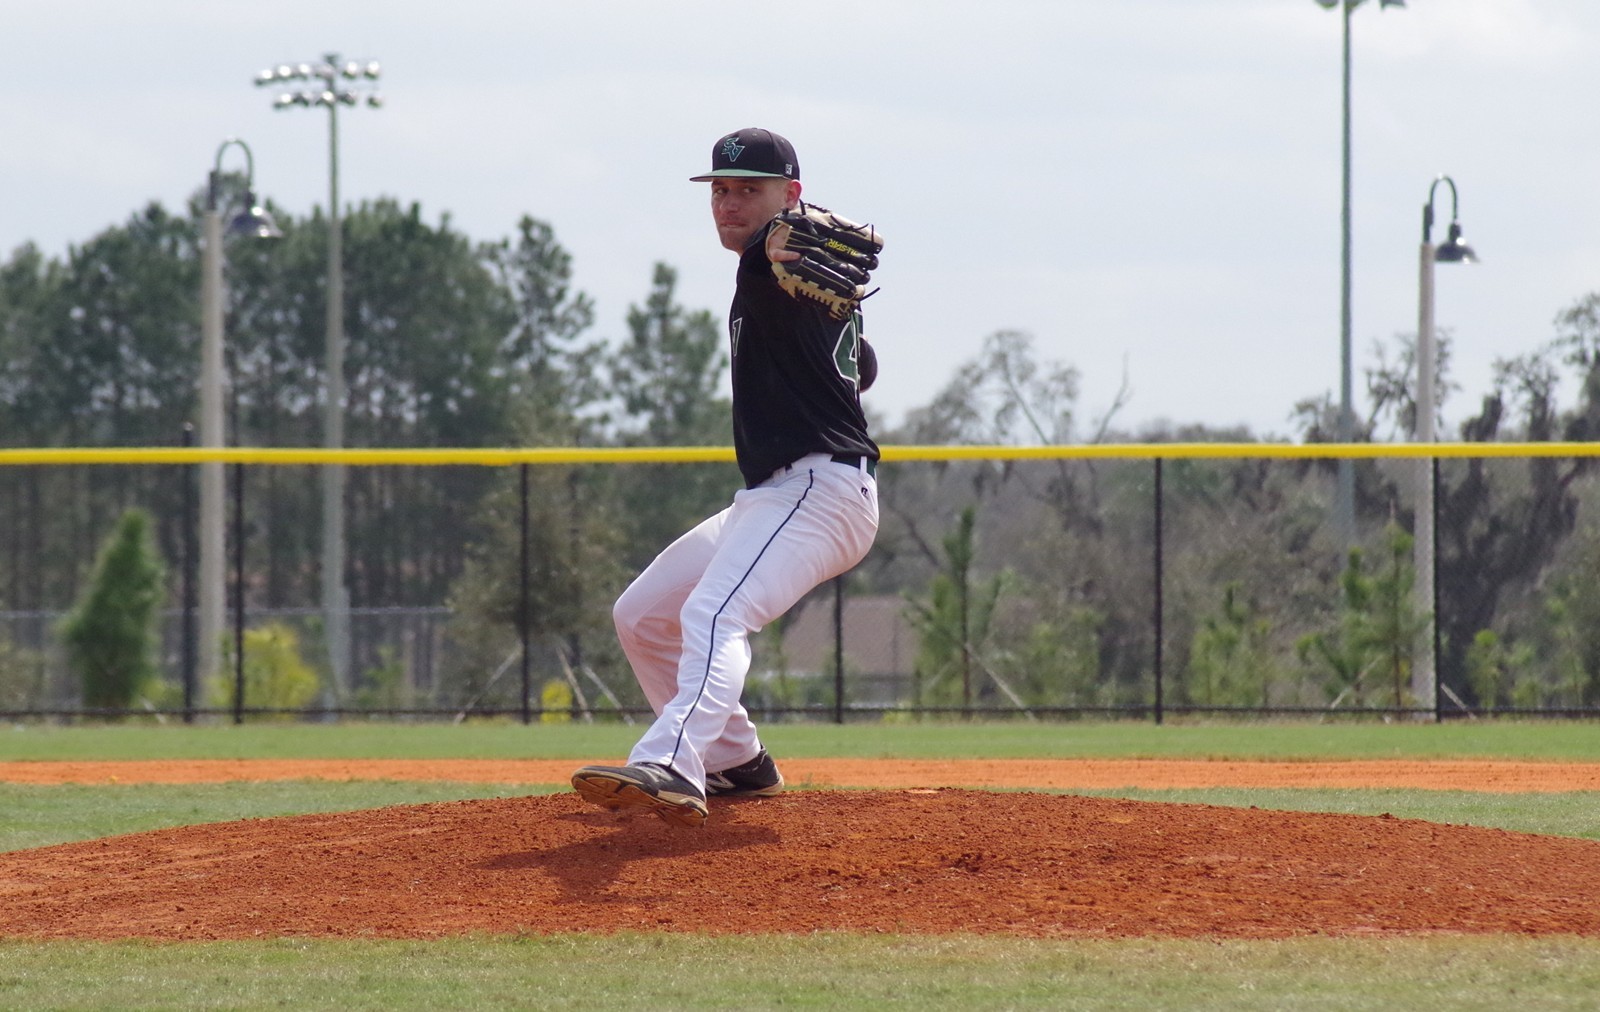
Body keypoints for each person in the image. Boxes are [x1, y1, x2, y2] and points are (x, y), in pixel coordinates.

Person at [571, 127, 880, 827]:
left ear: (791, 198)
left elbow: (778, 257)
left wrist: (778, 245)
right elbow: (861, 367)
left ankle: (675, 762)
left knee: (714, 612)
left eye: (750, 190)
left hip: (821, 491)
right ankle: (738, 762)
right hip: (777, 494)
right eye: (722, 189)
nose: (730, 203)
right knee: (644, 615)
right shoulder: (794, 290)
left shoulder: (773, 261)